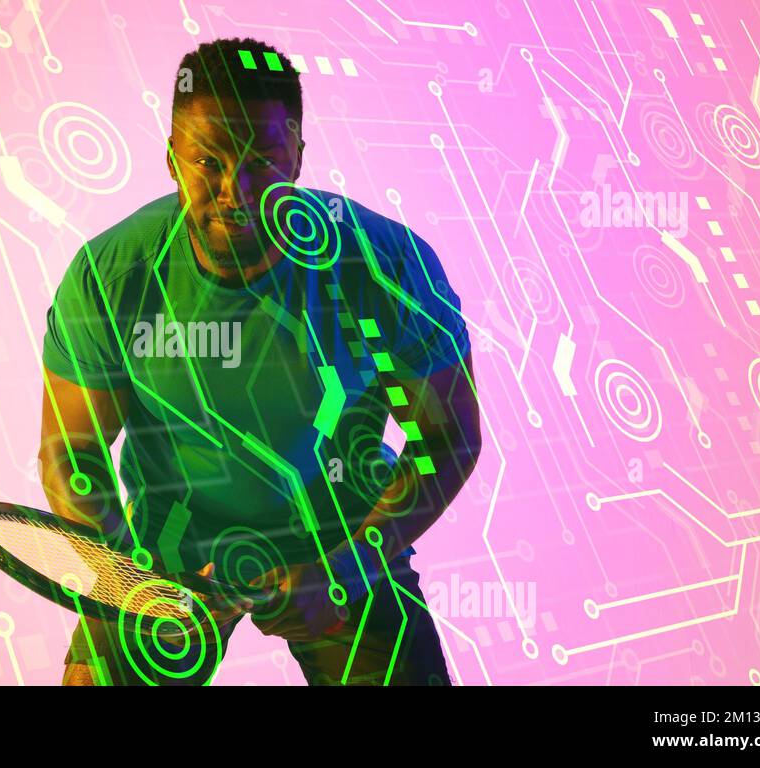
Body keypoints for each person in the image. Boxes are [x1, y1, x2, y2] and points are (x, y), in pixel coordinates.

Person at [36, 37, 481, 685]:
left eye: (262, 161)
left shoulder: (385, 264)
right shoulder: (110, 274)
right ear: (170, 159)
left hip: (345, 524)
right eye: (207, 161)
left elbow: (450, 434)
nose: (235, 191)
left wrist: (347, 568)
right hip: (169, 534)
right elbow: (69, 454)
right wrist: (130, 579)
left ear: (297, 155)